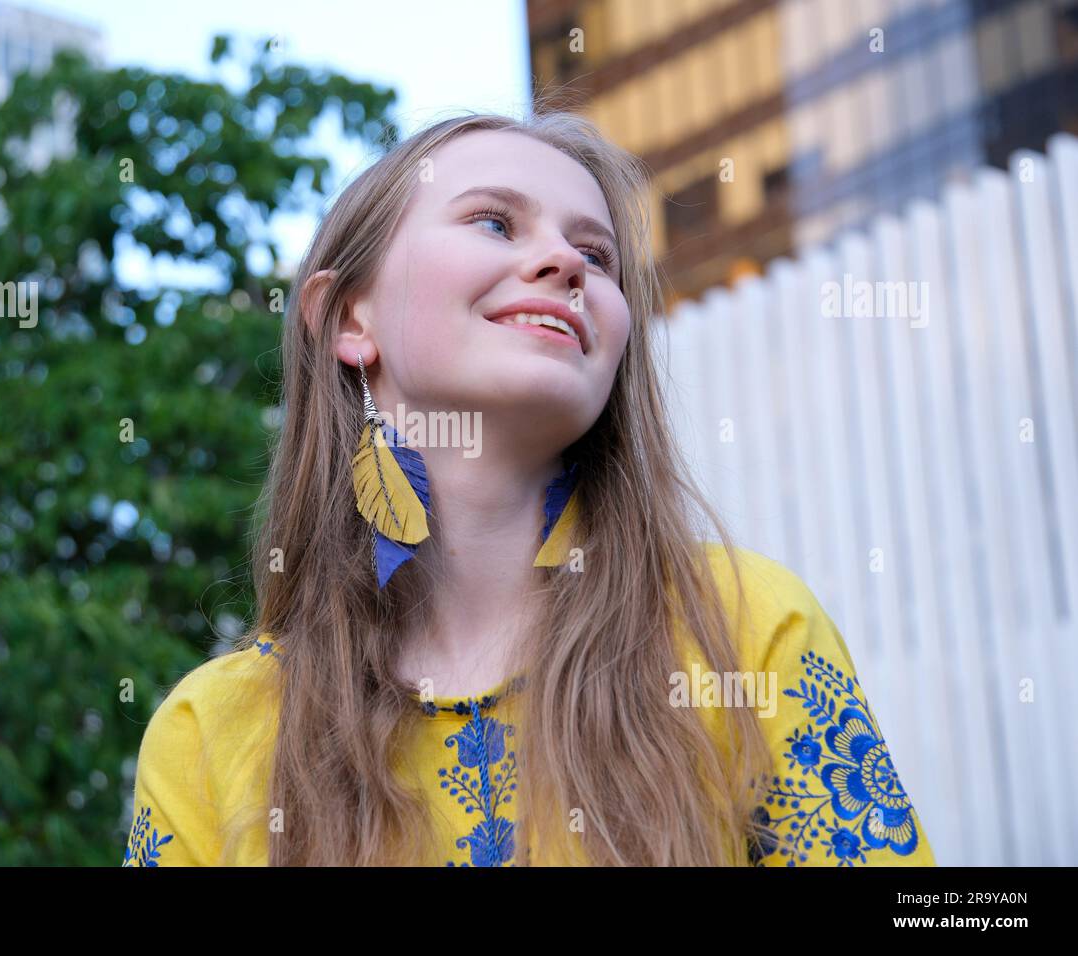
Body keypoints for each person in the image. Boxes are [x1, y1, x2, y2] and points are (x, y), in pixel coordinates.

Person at [122, 110, 936, 867]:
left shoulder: (743, 627)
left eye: (599, 255)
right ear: (347, 319)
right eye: (493, 221)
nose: (566, 264)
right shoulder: (206, 736)